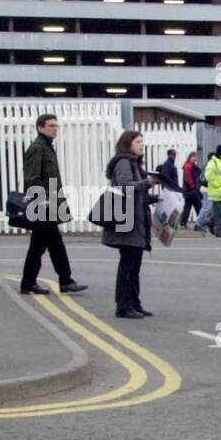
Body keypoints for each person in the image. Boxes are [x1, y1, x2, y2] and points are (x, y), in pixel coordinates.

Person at [19, 113, 87, 296]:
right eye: (51, 126)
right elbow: (31, 176)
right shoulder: (37, 148)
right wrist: (41, 198)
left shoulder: (47, 147)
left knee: (42, 245)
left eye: (56, 126)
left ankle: (32, 283)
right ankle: (63, 281)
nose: (55, 129)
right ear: (40, 128)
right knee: (51, 244)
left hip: (51, 202)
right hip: (44, 205)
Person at [101, 130, 158, 319]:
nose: (142, 144)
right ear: (128, 144)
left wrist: (154, 198)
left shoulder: (133, 163)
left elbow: (137, 195)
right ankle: (123, 306)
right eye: (138, 141)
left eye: (143, 141)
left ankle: (134, 303)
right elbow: (124, 187)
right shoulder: (124, 162)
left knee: (134, 266)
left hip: (135, 222)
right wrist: (147, 183)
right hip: (127, 222)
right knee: (128, 265)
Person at [180, 151, 203, 228]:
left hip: (190, 191)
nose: (196, 158)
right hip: (191, 190)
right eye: (195, 157)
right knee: (196, 206)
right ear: (191, 157)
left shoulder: (192, 166)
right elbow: (189, 179)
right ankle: (200, 223)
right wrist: (194, 187)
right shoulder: (189, 166)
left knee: (190, 207)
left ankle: (183, 223)